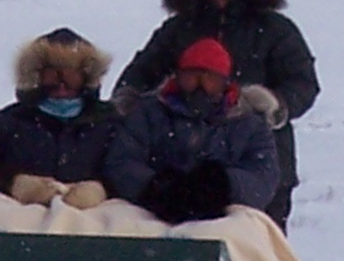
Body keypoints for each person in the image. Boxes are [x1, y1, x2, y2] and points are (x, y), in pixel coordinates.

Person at [112, 0, 318, 230]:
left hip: (261, 158)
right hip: (178, 163)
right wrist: (131, 104)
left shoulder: (274, 30)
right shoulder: (181, 27)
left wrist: (271, 104)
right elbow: (142, 72)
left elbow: (303, 82)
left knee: (260, 249)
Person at [104, 38, 281, 224]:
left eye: (209, 78)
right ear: (178, 77)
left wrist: (222, 184)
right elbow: (122, 160)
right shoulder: (149, 112)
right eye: (192, 77)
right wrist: (155, 187)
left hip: (226, 216)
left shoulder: (249, 123)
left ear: (225, 82)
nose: (200, 86)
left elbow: (263, 177)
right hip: (149, 211)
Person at [0, 27, 121, 208]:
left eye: (71, 76)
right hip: (18, 218)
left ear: (87, 79)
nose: (62, 86)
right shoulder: (2, 126)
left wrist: (99, 190)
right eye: (52, 76)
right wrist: (15, 186)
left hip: (93, 221)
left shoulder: (110, 126)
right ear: (35, 78)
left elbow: (129, 175)